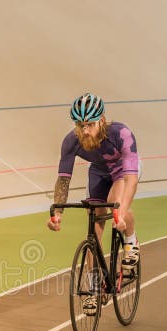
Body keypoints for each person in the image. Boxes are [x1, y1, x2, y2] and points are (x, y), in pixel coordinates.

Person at [47, 92, 141, 313]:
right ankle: (94, 288)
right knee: (94, 225)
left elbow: (131, 180)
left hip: (123, 172)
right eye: (80, 125)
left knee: (114, 204)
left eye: (89, 125)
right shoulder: (71, 141)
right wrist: (57, 213)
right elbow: (63, 180)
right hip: (98, 173)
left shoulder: (121, 134)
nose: (85, 131)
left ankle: (131, 242)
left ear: (101, 120)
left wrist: (121, 213)